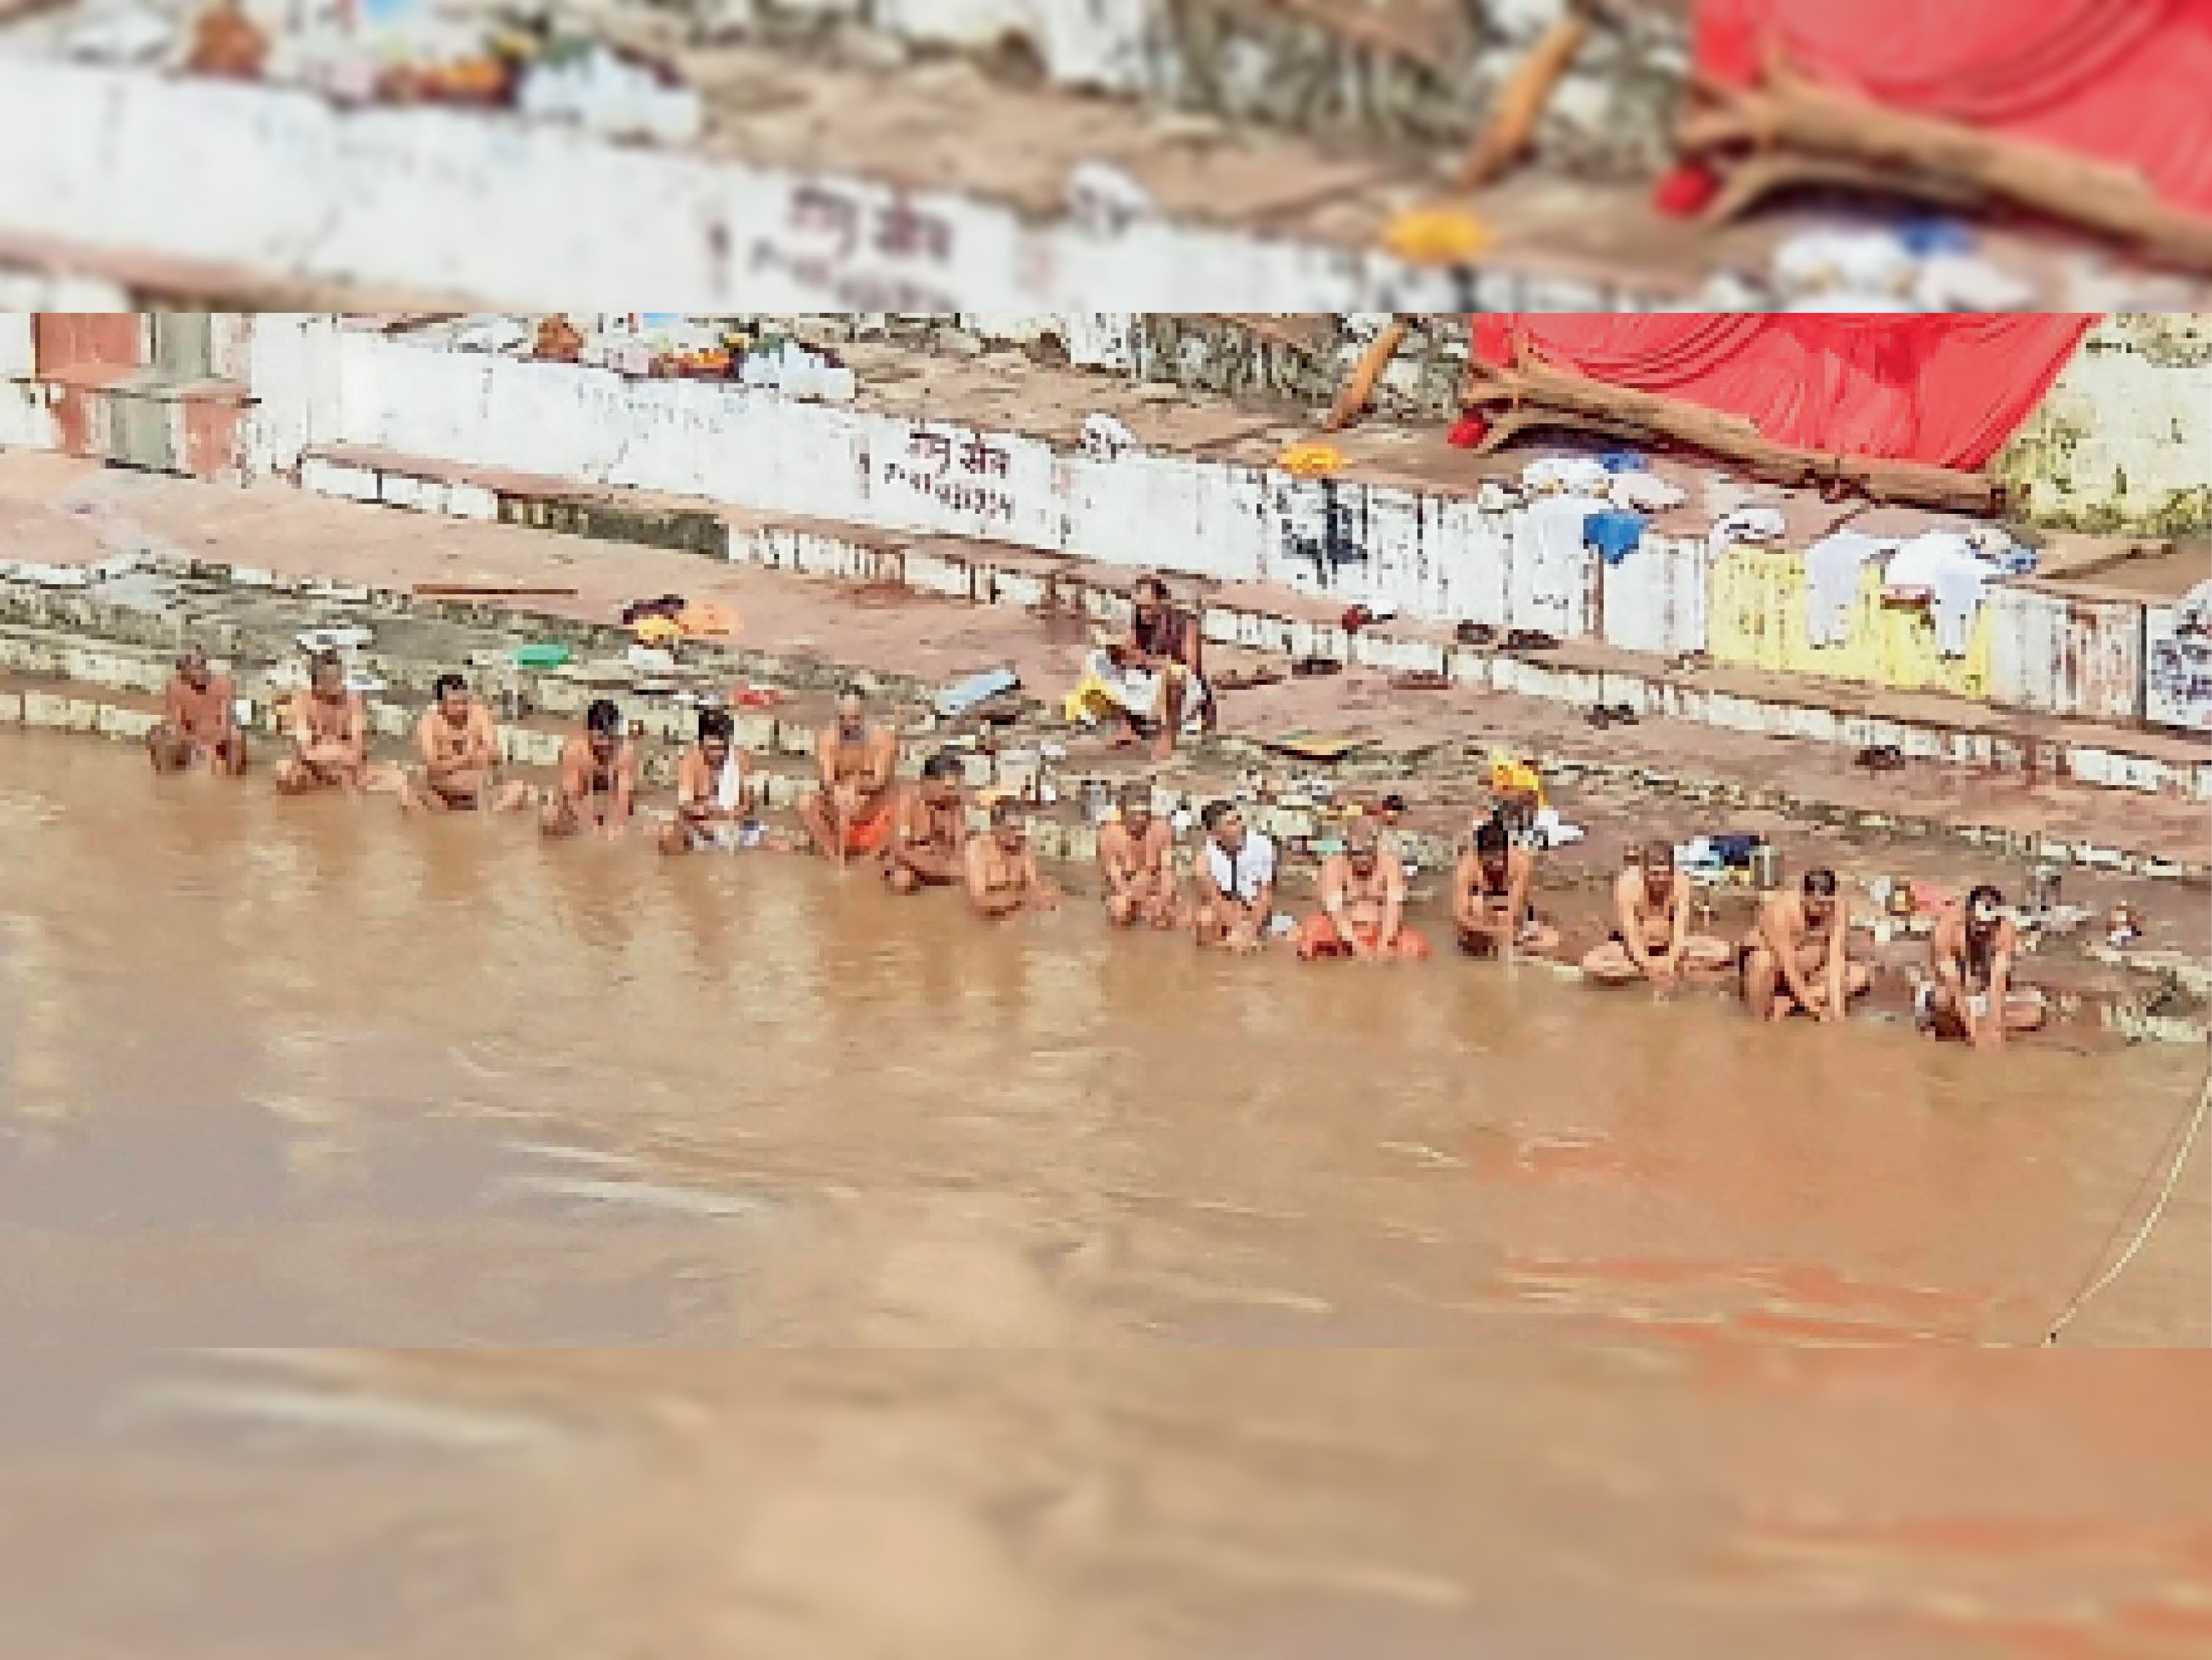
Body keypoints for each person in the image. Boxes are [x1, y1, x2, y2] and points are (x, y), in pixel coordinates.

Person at [1087, 573, 1210, 761]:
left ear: (1163, 602)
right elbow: (1132, 656)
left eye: (1148, 607)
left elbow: (1192, 668)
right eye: (1140, 607)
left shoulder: (1186, 624)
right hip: (1151, 686)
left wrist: (1149, 661)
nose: (1144, 613)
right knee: (1098, 660)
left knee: (1174, 674)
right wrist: (1117, 653)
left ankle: (1168, 736)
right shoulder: (1139, 623)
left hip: (1182, 691)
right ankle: (1130, 729)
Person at [1581, 839, 1734, 988]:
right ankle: (1674, 971)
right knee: (1592, 963)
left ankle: (1663, 970)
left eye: (1664, 874)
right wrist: (1647, 965)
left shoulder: (1681, 883)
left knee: (1721, 950)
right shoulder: (1628, 884)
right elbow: (1631, 935)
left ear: (1672, 871)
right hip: (1633, 952)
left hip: (1671, 948)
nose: (1659, 879)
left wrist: (1670, 960)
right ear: (1644, 871)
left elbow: (1680, 930)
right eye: (1654, 874)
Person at [1920, 884, 2047, 1048]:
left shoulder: (2005, 931)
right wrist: (1974, 1033)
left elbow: (1998, 982)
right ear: (1968, 914)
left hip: (1981, 1001)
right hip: (1949, 998)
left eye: (1987, 926)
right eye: (1977, 925)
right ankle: (1962, 1028)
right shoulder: (1947, 929)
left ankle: (1954, 1031)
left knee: (2035, 1013)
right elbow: (1953, 985)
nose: (1982, 930)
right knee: (1941, 1000)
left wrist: (1996, 1027)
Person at [1741, 867, 1871, 1022]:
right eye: (1819, 904)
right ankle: (1762, 1018)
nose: (1826, 909)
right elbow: (1788, 966)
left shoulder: (1838, 908)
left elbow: (1836, 959)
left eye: (1829, 903)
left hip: (1810, 971)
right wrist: (1815, 1010)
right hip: (1777, 972)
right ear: (1804, 897)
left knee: (1859, 976)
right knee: (1762, 961)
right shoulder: (1781, 912)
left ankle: (1791, 1003)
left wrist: (1837, 1011)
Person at [1298, 817, 1431, 963]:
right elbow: (1335, 911)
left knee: (1416, 947)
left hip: (1380, 929)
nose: (1363, 859)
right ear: (1347, 849)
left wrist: (1385, 943)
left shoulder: (1390, 864)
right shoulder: (1334, 865)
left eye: (1368, 852)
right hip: (1341, 931)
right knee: (1310, 940)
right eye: (1357, 853)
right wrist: (1355, 944)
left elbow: (1394, 908)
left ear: (1376, 847)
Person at [798, 686, 898, 865]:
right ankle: (835, 858)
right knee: (805, 802)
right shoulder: (827, 739)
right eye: (844, 718)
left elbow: (880, 780)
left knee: (904, 802)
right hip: (840, 809)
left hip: (872, 811)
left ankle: (869, 861)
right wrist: (837, 791)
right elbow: (827, 779)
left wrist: (857, 787)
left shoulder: (882, 739)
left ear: (865, 714)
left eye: (855, 718)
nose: (849, 724)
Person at [404, 672, 529, 812]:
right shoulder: (429, 723)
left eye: (464, 702)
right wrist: (467, 758)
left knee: (518, 789)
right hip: (443, 792)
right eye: (455, 703)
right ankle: (451, 819)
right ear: (440, 704)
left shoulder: (479, 713)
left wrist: (484, 756)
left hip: (479, 790)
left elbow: (495, 754)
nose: (461, 708)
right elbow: (433, 767)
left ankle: (483, 816)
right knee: (408, 794)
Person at [1453, 814, 1559, 960]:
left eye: (1501, 858)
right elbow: (1461, 916)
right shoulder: (1467, 868)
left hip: (1512, 918)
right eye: (1491, 860)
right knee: (1477, 905)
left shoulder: (1520, 862)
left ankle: (1514, 949)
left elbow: (1515, 907)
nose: (1498, 864)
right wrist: (1494, 931)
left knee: (1552, 940)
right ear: (1480, 855)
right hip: (1482, 922)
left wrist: (1509, 935)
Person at [273, 650, 367, 794]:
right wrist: (334, 751)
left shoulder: (353, 701)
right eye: (332, 679)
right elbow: (304, 750)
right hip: (314, 767)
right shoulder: (303, 701)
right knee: (284, 771)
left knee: (382, 777)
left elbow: (358, 750)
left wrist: (332, 752)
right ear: (317, 684)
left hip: (345, 767)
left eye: (340, 678)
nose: (339, 684)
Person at [660, 707, 751, 854]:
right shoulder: (690, 762)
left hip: (730, 827)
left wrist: (726, 816)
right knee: (668, 835)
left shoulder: (739, 758)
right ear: (702, 744)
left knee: (781, 844)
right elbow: (685, 804)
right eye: (712, 748)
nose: (718, 754)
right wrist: (707, 812)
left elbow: (747, 804)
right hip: (698, 827)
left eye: (722, 748)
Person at [541, 697, 637, 838]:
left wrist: (617, 826)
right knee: (552, 818)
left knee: (623, 829)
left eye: (610, 737)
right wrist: (590, 825)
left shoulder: (624, 751)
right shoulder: (576, 750)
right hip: (582, 793)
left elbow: (624, 797)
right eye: (599, 737)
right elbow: (573, 796)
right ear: (588, 731)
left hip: (609, 793)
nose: (605, 743)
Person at [147, 644, 245, 776]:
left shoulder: (223, 684)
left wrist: (211, 746)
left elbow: (225, 722)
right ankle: (165, 782)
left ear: (205, 665)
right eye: (190, 670)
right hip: (189, 743)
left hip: (217, 743)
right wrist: (194, 743)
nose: (195, 673)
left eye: (198, 668)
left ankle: (232, 782)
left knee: (235, 736)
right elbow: (177, 723)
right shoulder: (176, 686)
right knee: (157, 734)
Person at [1192, 800, 1276, 952]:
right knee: (1204, 920)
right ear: (1215, 833)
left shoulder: (1262, 845)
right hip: (1225, 907)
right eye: (1231, 823)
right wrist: (1236, 926)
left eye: (1239, 819)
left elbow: (1265, 892)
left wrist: (1252, 928)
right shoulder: (1204, 858)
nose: (1240, 826)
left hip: (1254, 906)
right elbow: (1214, 898)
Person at [1097, 782, 1181, 928]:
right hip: (1125, 888)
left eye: (1143, 814)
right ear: (1122, 811)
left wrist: (1164, 897)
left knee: (1169, 915)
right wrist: (1131, 896)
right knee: (1120, 910)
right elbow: (1113, 873)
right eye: (1134, 814)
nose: (1140, 819)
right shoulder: (1110, 833)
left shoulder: (1161, 828)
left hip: (1153, 886)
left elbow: (1167, 868)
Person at [884, 750, 968, 893]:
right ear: (928, 782)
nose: (952, 793)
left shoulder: (954, 802)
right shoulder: (907, 801)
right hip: (911, 863)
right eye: (948, 788)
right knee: (902, 879)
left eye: (955, 787)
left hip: (942, 863)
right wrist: (933, 868)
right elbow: (900, 847)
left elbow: (960, 845)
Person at [964, 796, 1058, 919]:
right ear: (996, 828)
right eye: (1012, 829)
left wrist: (1046, 896)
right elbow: (979, 902)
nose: (1018, 835)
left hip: (1015, 913)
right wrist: (1022, 898)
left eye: (1021, 829)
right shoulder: (978, 848)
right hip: (986, 920)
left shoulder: (1023, 845)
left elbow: (1035, 886)